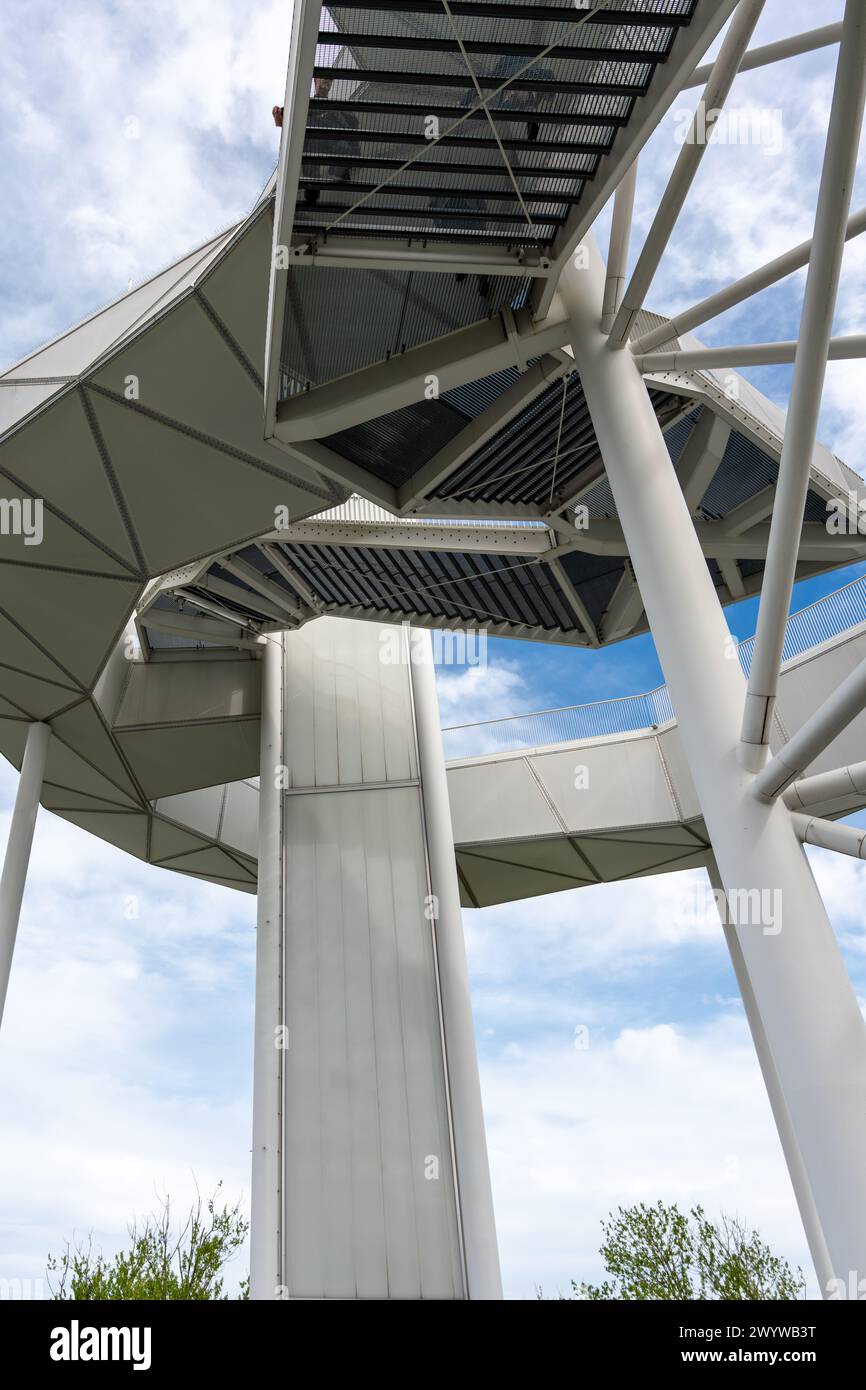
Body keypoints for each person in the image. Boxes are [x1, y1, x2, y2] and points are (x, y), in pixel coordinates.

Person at [273, 76, 360, 206]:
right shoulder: (305, 106)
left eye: (329, 80)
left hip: (334, 139)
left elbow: (352, 126)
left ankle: (339, 172)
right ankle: (312, 189)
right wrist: (277, 115)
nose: (326, 81)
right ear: (315, 81)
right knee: (312, 140)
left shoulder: (338, 110)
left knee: (344, 142)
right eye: (323, 78)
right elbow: (281, 119)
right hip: (315, 141)